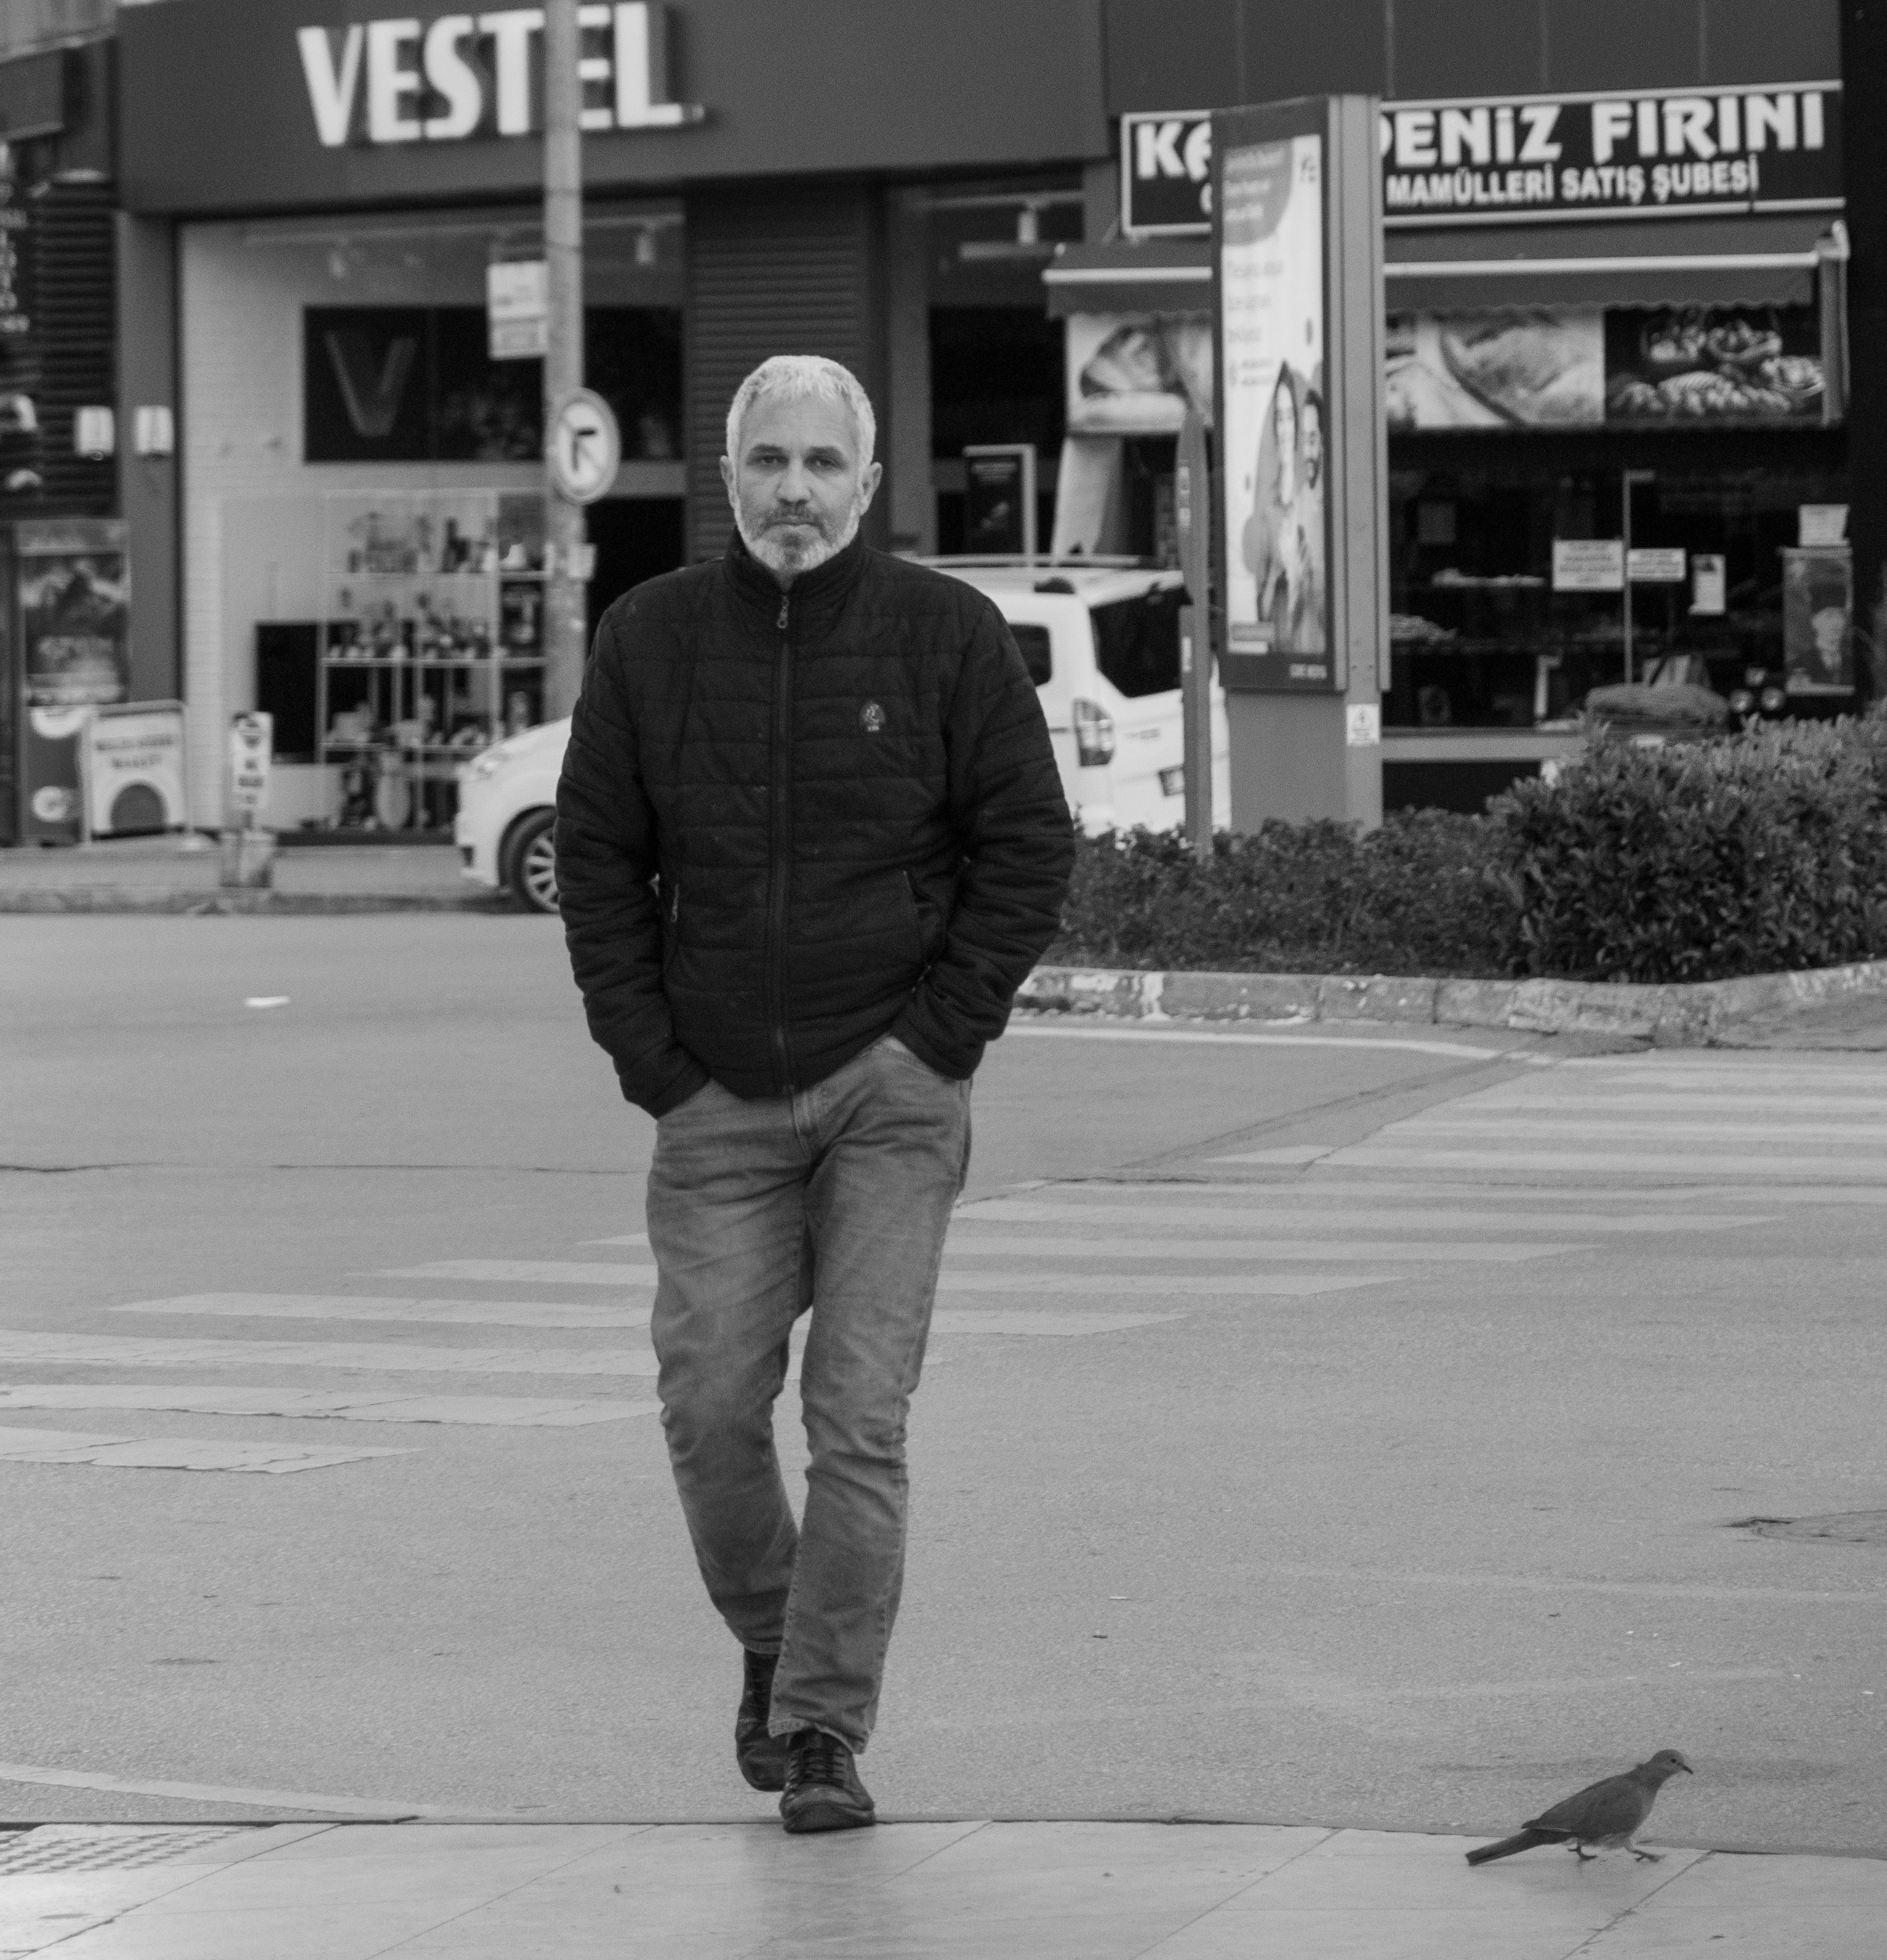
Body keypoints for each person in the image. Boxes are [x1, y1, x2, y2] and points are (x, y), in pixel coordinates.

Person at [555, 354, 1074, 1835]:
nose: (793, 491)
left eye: (818, 465)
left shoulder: (945, 635)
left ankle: (824, 1729)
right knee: (711, 1405)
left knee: (859, 1417)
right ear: (729, 481)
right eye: (765, 464)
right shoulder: (649, 639)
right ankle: (779, 1639)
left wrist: (937, 1038)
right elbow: (595, 859)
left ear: (865, 482)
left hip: (890, 1091)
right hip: (712, 1094)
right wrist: (650, 1056)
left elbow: (1026, 846)